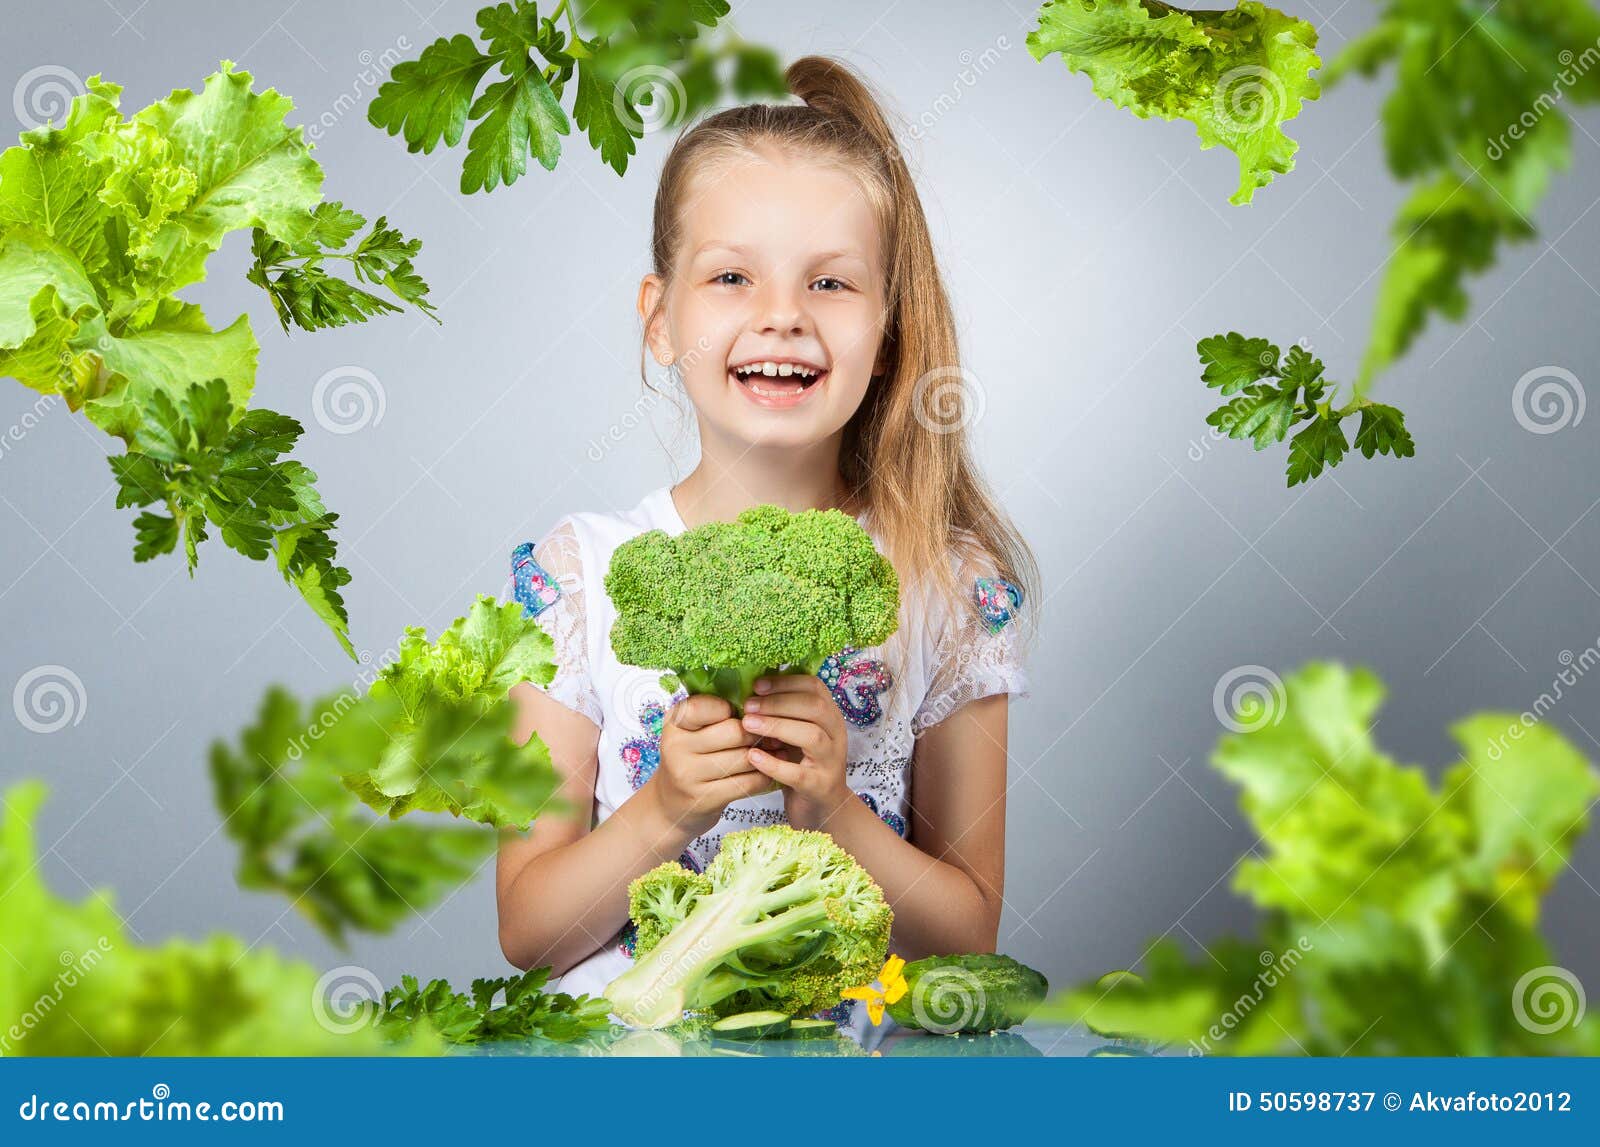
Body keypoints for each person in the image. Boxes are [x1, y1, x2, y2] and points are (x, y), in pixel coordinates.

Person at [494, 54, 1038, 1044]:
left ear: (887, 330)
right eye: (732, 276)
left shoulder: (951, 584)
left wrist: (834, 808)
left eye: (830, 281)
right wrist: (664, 807)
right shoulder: (577, 574)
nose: (780, 314)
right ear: (660, 320)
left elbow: (967, 942)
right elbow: (528, 930)